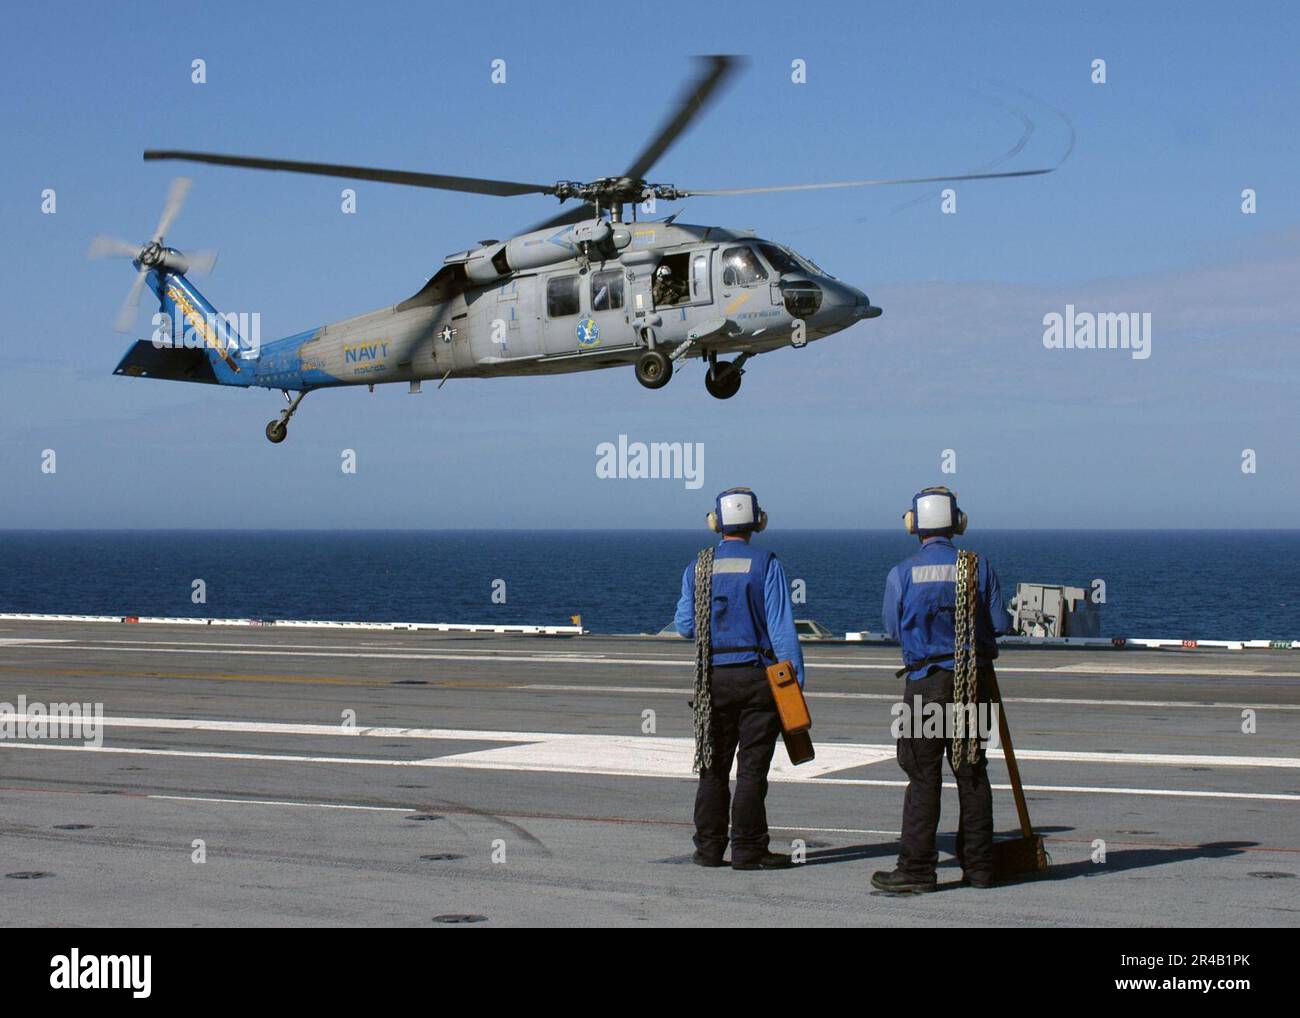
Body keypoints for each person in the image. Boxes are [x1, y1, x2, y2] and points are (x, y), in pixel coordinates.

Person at [873, 486, 1012, 893]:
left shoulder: (901, 573)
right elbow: (1001, 624)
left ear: (913, 526)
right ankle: (981, 868)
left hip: (925, 684)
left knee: (922, 776)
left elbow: (892, 629)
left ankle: (916, 870)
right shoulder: (979, 566)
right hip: (973, 682)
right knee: (971, 773)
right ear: (958, 523)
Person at [674, 487, 805, 871]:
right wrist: (795, 684)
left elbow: (685, 626)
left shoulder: (697, 566)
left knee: (712, 767)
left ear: (716, 523)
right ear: (757, 522)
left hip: (712, 679)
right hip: (757, 680)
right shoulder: (767, 563)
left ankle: (709, 849)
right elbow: (782, 629)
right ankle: (748, 850)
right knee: (751, 769)